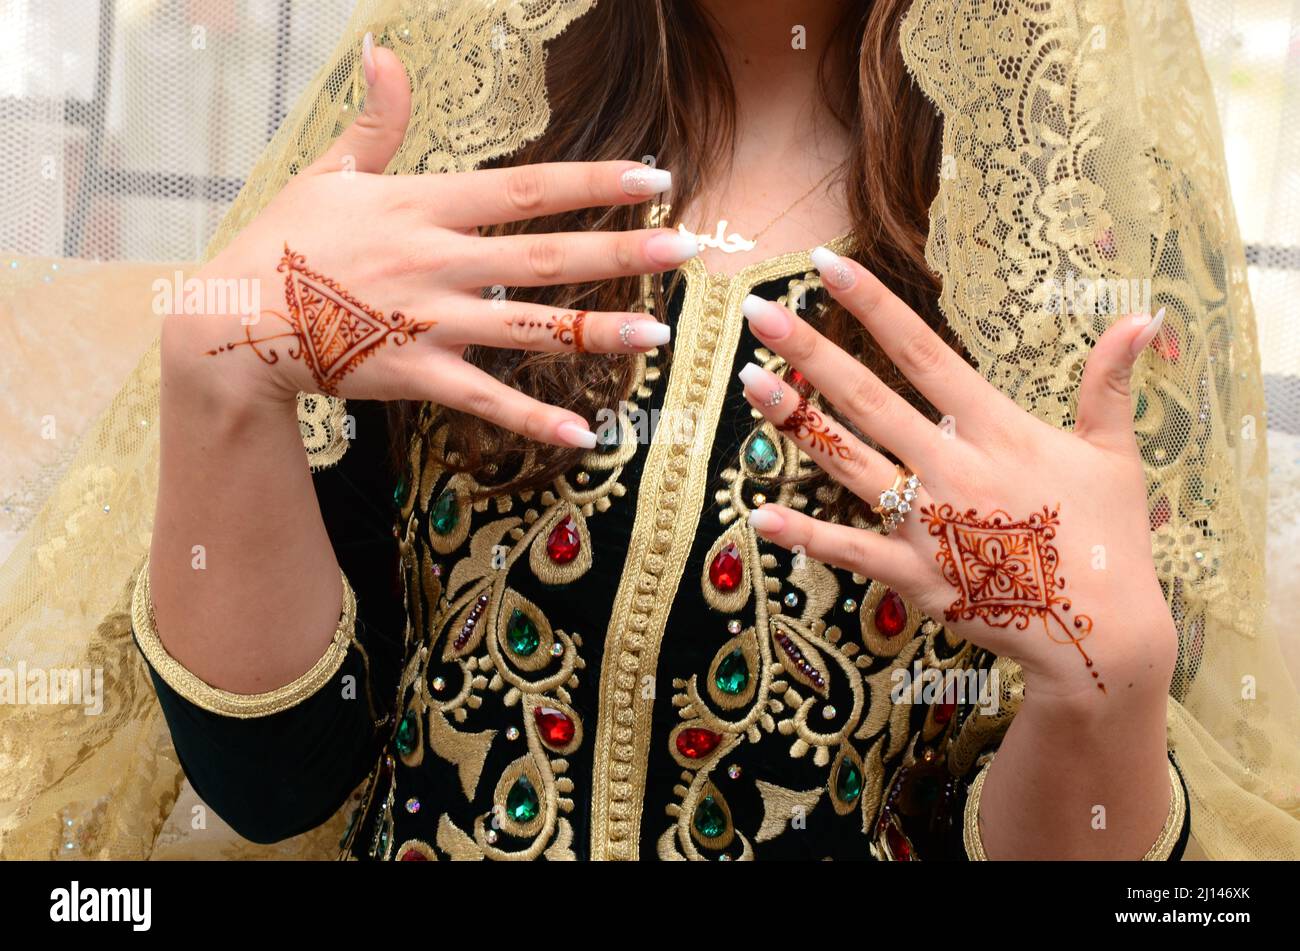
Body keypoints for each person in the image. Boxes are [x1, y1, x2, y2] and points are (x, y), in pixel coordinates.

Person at [5, 0, 1296, 861]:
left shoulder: (1071, 235)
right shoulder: (453, 126)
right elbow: (281, 775)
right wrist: (222, 374)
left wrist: (1102, 697)